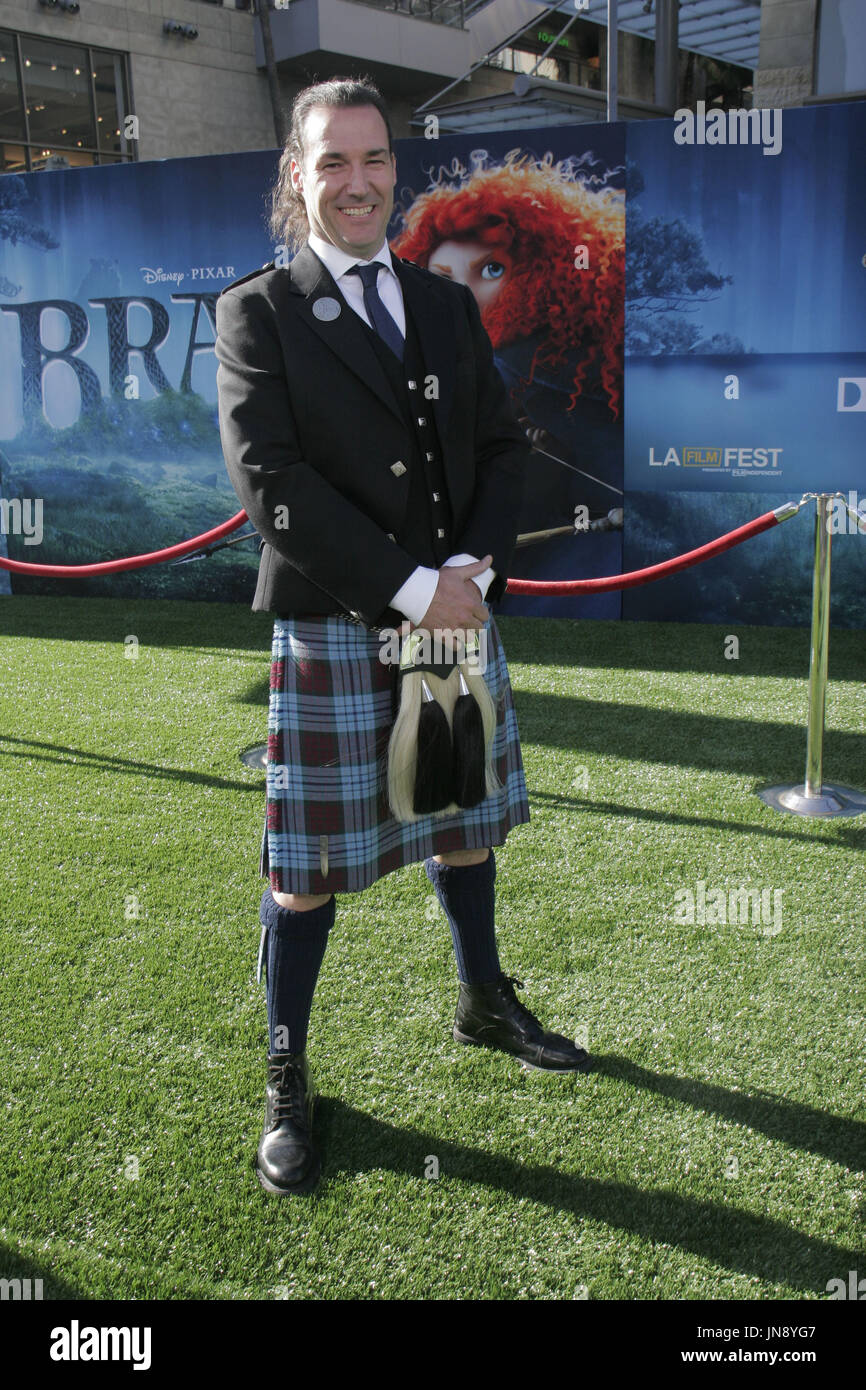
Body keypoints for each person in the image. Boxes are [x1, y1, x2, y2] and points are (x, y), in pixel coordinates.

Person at [215, 76, 592, 1198]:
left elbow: (501, 444)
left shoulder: (440, 306)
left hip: (455, 611)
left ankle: (483, 997)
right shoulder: (258, 312)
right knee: (306, 871)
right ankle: (287, 1074)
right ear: (296, 174)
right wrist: (413, 585)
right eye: (331, 161)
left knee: (464, 819)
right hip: (340, 620)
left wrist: (473, 567)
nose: (357, 181)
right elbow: (269, 485)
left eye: (374, 159)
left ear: (396, 168)